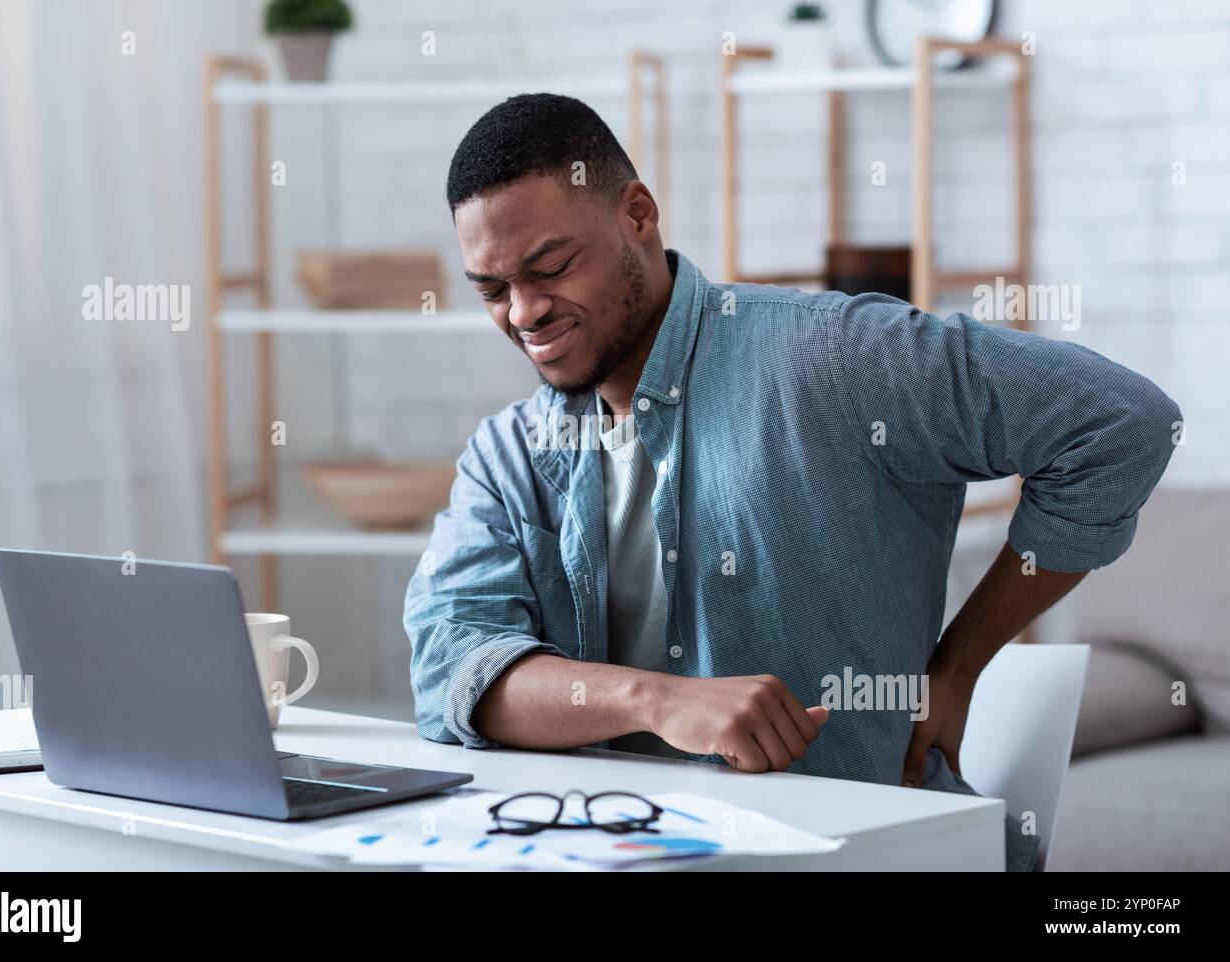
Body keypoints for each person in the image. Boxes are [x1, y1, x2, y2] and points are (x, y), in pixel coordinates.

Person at [403, 93, 1182, 871]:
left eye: (550, 268)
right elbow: (451, 664)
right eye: (491, 290)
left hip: (867, 855)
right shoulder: (508, 456)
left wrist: (959, 664)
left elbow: (1120, 424)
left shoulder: (834, 358)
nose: (525, 312)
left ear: (637, 214)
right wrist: (661, 700)